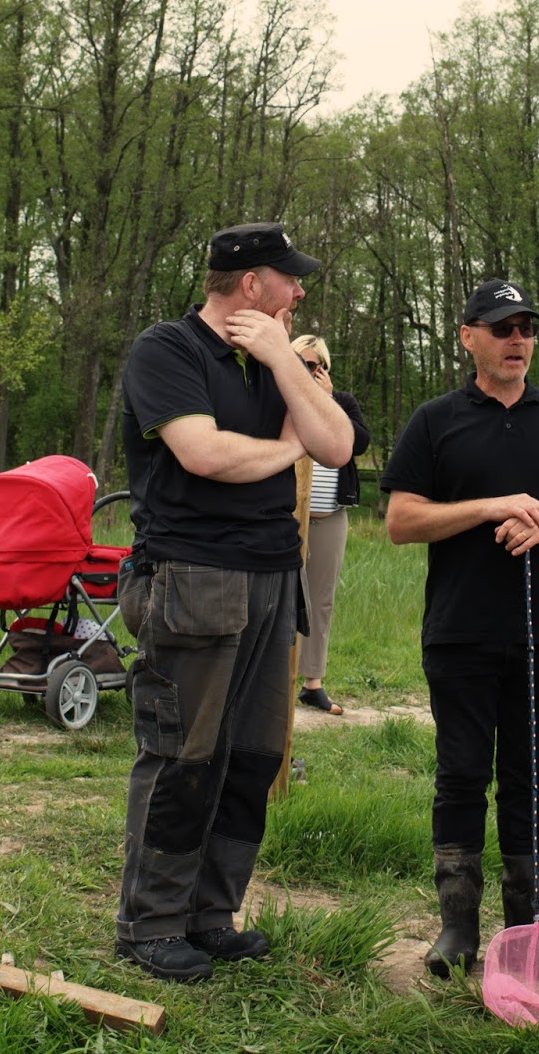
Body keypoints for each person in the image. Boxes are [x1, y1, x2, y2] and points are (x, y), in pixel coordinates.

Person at [114, 222, 352, 983]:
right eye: (290, 278)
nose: (301, 290)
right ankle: (150, 925)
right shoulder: (168, 350)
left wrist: (286, 358)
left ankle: (212, 915)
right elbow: (204, 452)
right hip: (192, 575)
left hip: (273, 577)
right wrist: (289, 450)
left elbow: (339, 444)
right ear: (251, 283)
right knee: (184, 756)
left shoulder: (279, 360)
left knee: (253, 756)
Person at [380, 278, 539, 979]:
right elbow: (401, 520)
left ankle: (526, 931)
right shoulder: (435, 420)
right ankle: (457, 927)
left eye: (527, 328)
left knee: (531, 778)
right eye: (502, 327)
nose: (518, 340)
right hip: (459, 631)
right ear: (468, 337)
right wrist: (490, 507)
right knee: (461, 774)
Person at [291, 333, 371, 715]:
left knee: (321, 601)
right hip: (288, 517)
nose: (313, 372)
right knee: (281, 599)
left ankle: (313, 683)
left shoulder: (342, 403)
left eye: (320, 366)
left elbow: (360, 443)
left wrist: (327, 401)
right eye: (306, 364)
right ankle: (278, 678)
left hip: (331, 517)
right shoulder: (280, 398)